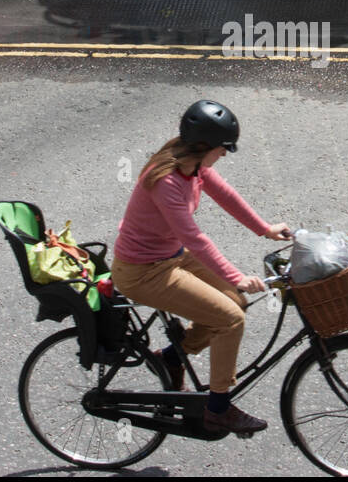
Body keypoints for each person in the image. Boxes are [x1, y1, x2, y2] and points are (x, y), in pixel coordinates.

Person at [110, 100, 293, 435]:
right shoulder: (167, 181)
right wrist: (237, 276)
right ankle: (217, 409)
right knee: (230, 319)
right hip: (142, 271)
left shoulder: (193, 166)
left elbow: (226, 195)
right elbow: (195, 238)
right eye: (222, 150)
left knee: (235, 302)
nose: (224, 155)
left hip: (170, 256)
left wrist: (264, 228)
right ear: (204, 146)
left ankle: (171, 358)